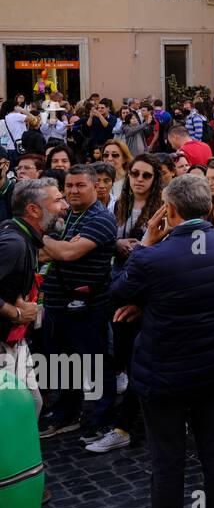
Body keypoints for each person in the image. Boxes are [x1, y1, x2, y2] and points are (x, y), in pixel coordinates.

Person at [107, 174, 214, 508]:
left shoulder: (153, 257)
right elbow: (193, 287)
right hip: (213, 372)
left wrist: (147, 240)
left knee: (168, 467)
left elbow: (117, 294)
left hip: (164, 376)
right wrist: (150, 302)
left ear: (171, 210)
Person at [34, 165, 119, 445]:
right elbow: (43, 255)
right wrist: (54, 247)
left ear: (95, 186)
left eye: (80, 185)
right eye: (68, 186)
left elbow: (68, 253)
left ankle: (101, 420)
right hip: (56, 303)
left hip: (89, 305)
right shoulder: (65, 215)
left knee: (95, 363)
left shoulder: (101, 218)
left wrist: (43, 240)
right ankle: (66, 414)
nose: (73, 191)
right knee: (60, 362)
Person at [0, 179, 64, 427]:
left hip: (15, 342)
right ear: (34, 210)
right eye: (57, 200)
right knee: (18, 412)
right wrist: (14, 312)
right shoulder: (13, 244)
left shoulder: (21, 236)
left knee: (32, 404)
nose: (65, 205)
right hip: (4, 344)